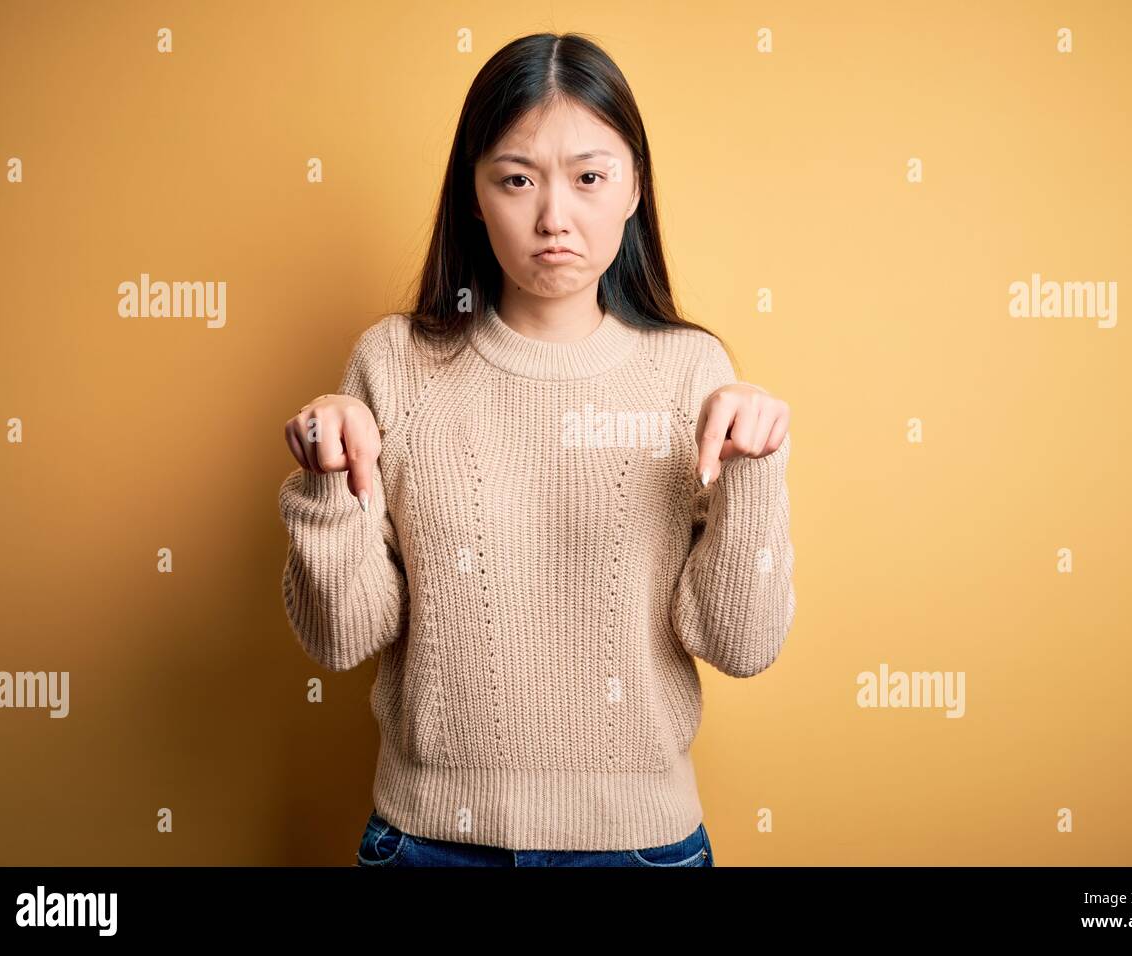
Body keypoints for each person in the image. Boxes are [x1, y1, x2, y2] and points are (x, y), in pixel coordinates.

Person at [277, 32, 795, 868]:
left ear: (633, 187)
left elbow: (741, 643)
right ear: (474, 196)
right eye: (517, 179)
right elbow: (341, 639)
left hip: (640, 846)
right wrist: (327, 484)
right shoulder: (392, 362)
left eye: (589, 177)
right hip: (428, 841)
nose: (555, 217)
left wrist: (756, 472)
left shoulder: (693, 371)